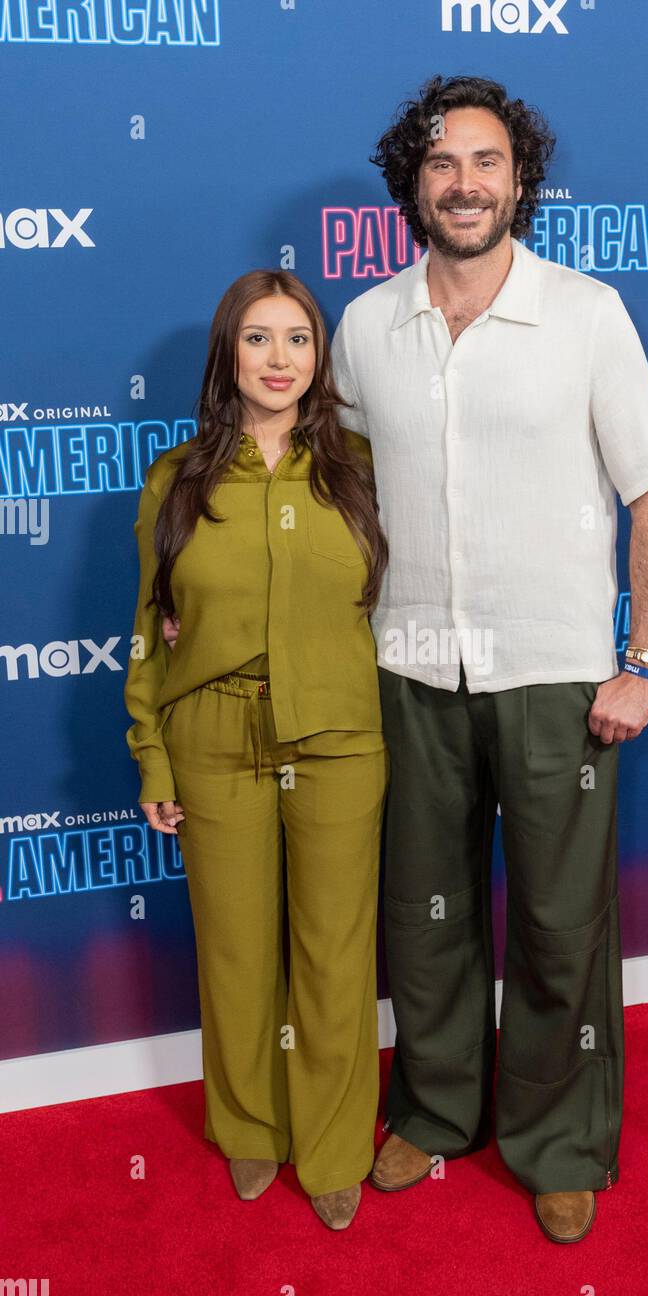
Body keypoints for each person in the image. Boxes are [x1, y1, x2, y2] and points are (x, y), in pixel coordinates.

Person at [328, 75, 648, 1242]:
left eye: (485, 162)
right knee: (423, 922)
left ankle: (559, 1139)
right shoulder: (366, 324)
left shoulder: (587, 313)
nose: (464, 183)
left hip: (556, 680)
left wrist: (641, 658)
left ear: (519, 178)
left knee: (557, 922)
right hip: (409, 675)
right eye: (442, 165)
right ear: (411, 184)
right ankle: (435, 1110)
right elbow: (338, 492)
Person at [124, 269, 389, 1231]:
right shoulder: (179, 477)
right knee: (235, 951)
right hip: (212, 741)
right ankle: (245, 1130)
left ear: (321, 357)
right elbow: (151, 627)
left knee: (333, 954)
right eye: (257, 339)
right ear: (227, 354)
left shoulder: (360, 466)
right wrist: (151, 752)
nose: (279, 360)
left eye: (298, 340)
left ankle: (330, 1146)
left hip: (340, 741)